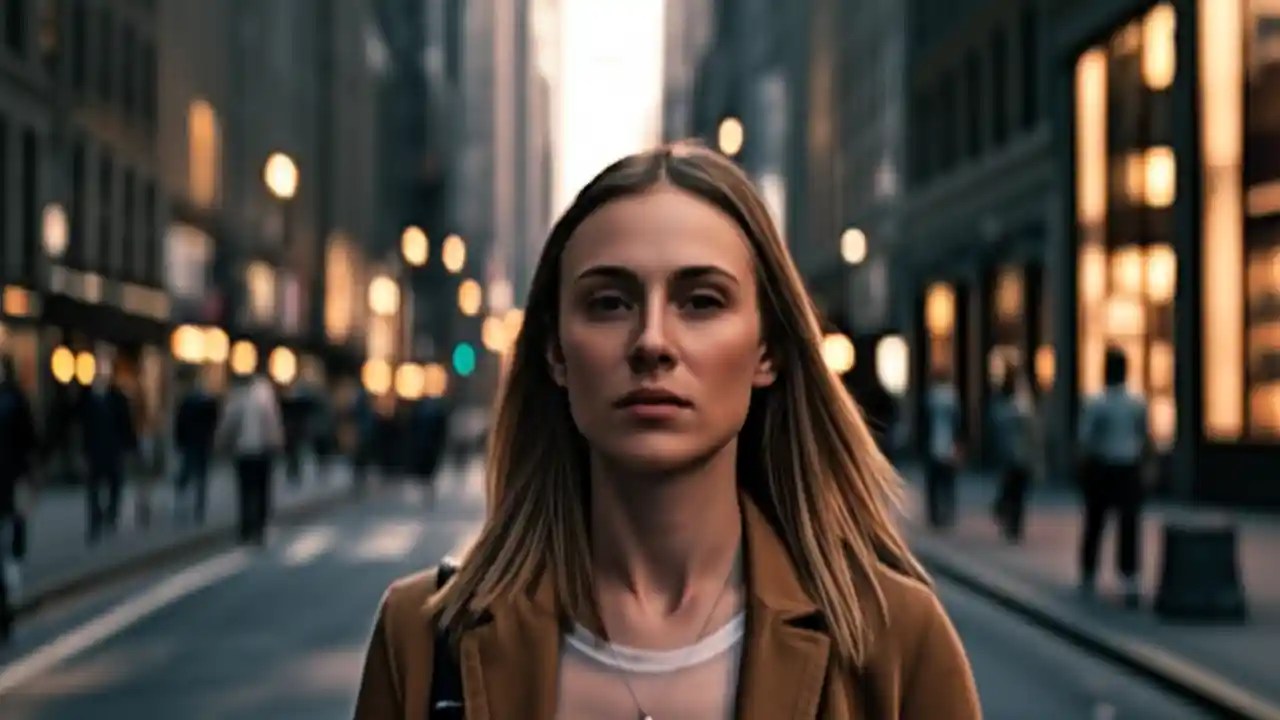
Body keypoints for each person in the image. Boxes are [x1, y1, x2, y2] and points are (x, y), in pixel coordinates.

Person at [353, 142, 979, 719]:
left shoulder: (896, 642)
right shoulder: (422, 639)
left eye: (701, 301)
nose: (652, 341)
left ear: (768, 350)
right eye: (609, 303)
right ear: (555, 352)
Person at [1077, 347, 1150, 608]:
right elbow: (1145, 435)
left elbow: (1085, 439)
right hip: (1128, 466)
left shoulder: (1096, 402)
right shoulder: (1136, 402)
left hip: (1102, 466)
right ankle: (1129, 577)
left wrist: (1082, 468)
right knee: (1128, 524)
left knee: (1095, 521)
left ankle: (1089, 572)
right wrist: (1147, 465)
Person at [216, 373, 284, 545]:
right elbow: (273, 424)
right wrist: (276, 443)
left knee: (245, 490)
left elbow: (228, 423)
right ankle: (259, 526)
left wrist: (222, 442)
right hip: (263, 451)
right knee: (262, 490)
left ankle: (247, 527)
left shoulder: (238, 398)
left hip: (243, 451)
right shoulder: (266, 399)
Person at [78, 355, 138, 543]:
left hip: (113, 449)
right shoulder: (87, 397)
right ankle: (95, 521)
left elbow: (126, 423)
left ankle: (111, 515)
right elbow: (81, 426)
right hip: (94, 450)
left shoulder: (117, 397)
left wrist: (130, 446)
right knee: (93, 488)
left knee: (115, 485)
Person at [0, 356, 39, 640]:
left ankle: (4, 614)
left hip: (8, 479)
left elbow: (28, 439)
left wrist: (27, 473)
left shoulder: (14, 400)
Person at [989, 364, 1035, 542]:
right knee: (1014, 490)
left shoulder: (1010, 404)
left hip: (1015, 453)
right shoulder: (1018, 404)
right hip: (1015, 454)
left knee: (1015, 490)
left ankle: (1013, 524)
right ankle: (1012, 523)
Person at [173, 369, 218, 524]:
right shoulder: (207, 403)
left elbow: (180, 424)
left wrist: (179, 440)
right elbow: (213, 423)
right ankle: (198, 507)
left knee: (187, 474)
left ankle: (185, 504)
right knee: (200, 476)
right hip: (202, 443)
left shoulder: (187, 402)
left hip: (191, 443)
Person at [923, 366, 963, 529]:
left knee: (934, 484)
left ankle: (935, 516)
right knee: (948, 483)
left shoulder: (930, 398)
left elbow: (924, 425)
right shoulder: (952, 398)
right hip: (948, 446)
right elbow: (960, 425)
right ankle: (947, 513)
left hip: (934, 446)